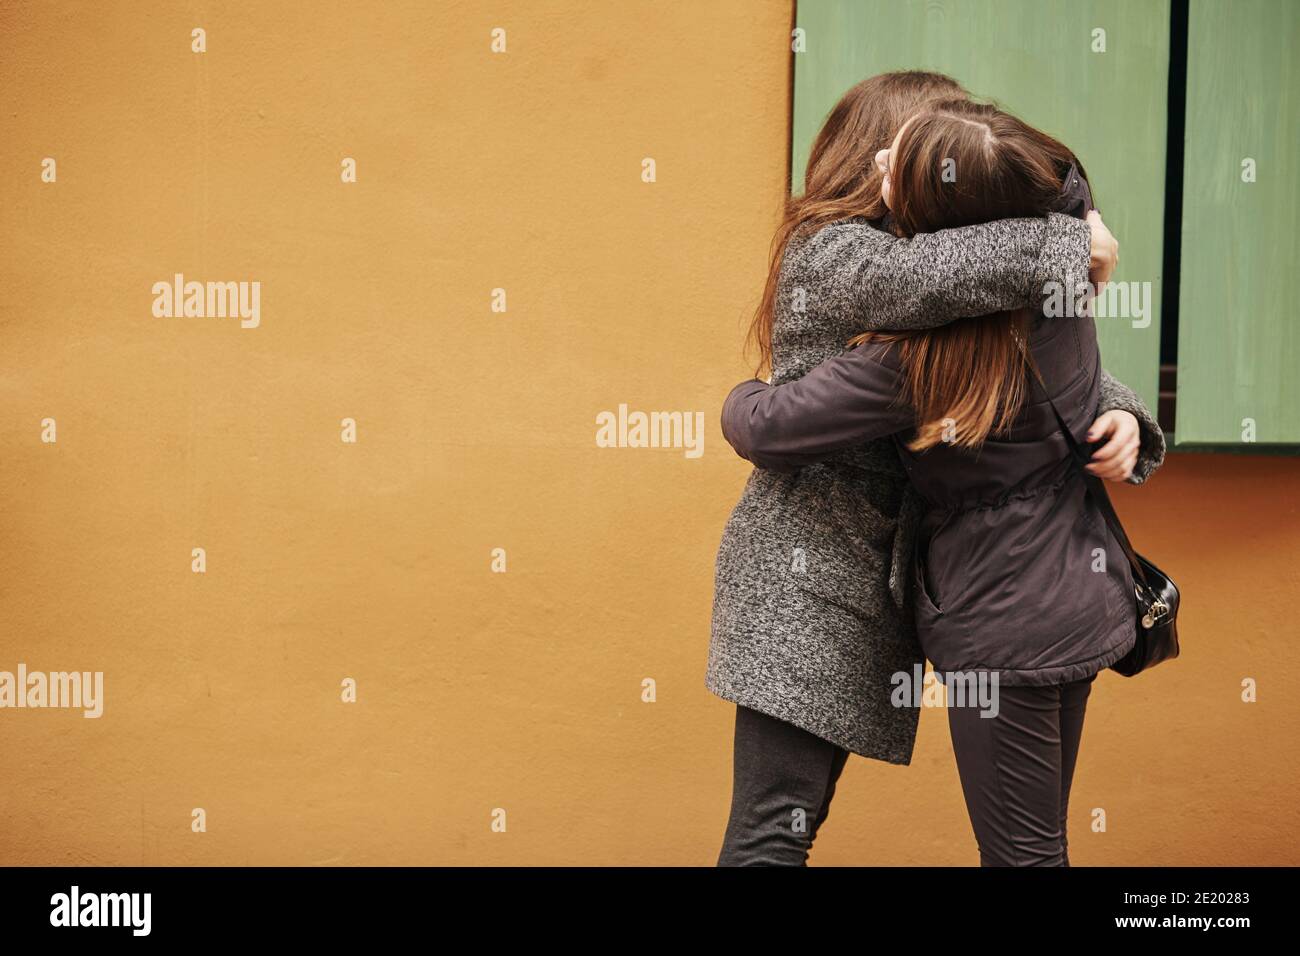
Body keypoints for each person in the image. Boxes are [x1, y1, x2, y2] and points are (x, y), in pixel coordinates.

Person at [708, 71, 1165, 867]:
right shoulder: (839, 250)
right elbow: (917, 299)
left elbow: (1016, 360)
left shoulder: (960, 267)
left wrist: (1126, 414)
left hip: (929, 572)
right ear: (874, 158)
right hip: (812, 575)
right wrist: (1064, 238)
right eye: (926, 149)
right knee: (776, 827)